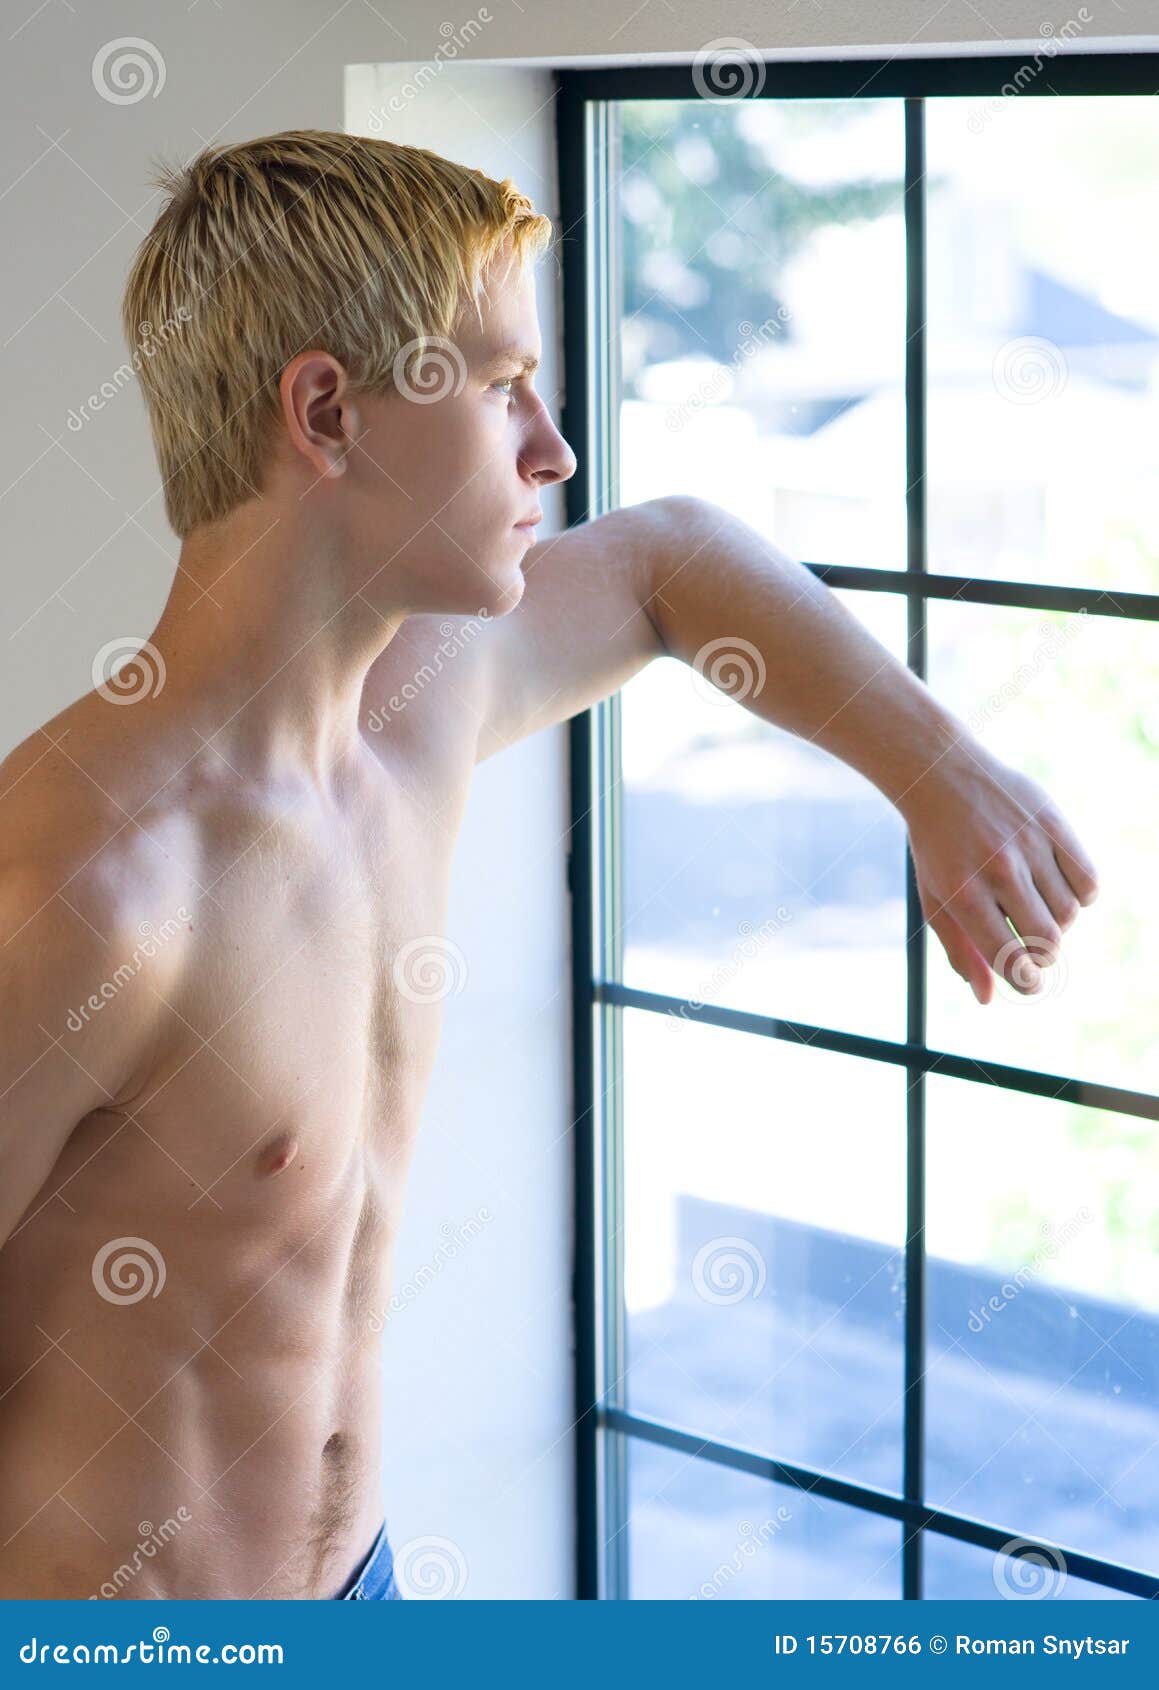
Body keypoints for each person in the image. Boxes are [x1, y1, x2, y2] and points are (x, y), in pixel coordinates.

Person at [0, 129, 1098, 1601]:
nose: (552, 449)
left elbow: (671, 561)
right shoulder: (85, 884)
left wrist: (939, 769)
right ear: (326, 413)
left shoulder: (419, 702)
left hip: (363, 1591)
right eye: (504, 386)